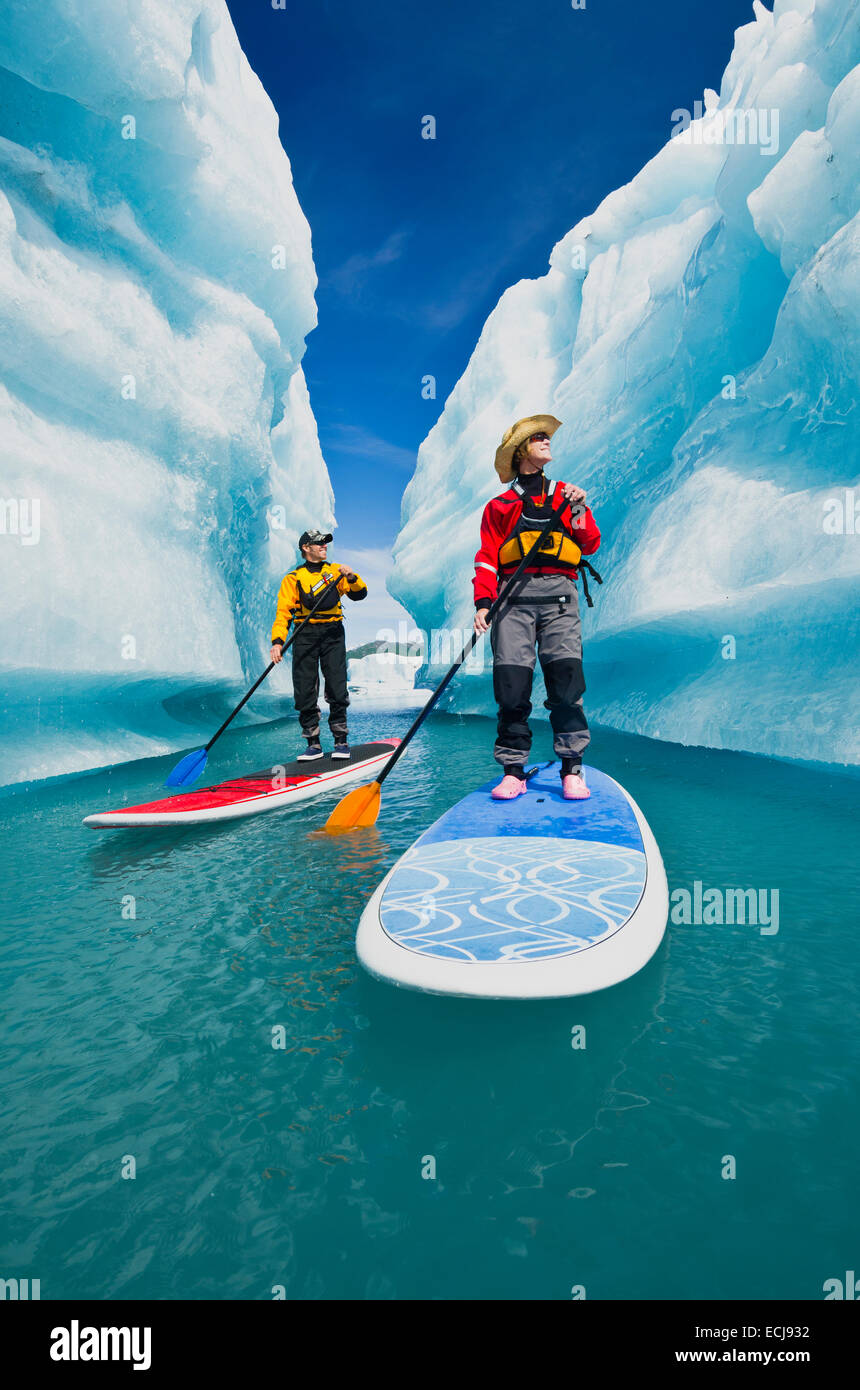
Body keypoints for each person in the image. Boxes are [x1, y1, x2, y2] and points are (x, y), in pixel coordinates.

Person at [472, 415, 601, 801]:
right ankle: (514, 770)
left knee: (566, 686)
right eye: (537, 438)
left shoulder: (568, 495)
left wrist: (579, 508)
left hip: (560, 598)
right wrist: (483, 603)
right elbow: (487, 558)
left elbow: (589, 542)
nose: (546, 441)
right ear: (520, 452)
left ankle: (572, 768)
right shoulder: (500, 506)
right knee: (512, 689)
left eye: (545, 436)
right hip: (512, 601)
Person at [270, 529, 367, 760]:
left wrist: (351, 577)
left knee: (336, 685)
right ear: (306, 548)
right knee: (304, 689)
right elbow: (283, 614)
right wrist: (277, 642)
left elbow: (359, 594)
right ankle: (313, 744)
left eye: (325, 543)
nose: (324, 546)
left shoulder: (336, 572)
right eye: (319, 543)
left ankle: (341, 741)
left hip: (333, 633)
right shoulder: (293, 579)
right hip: (305, 633)